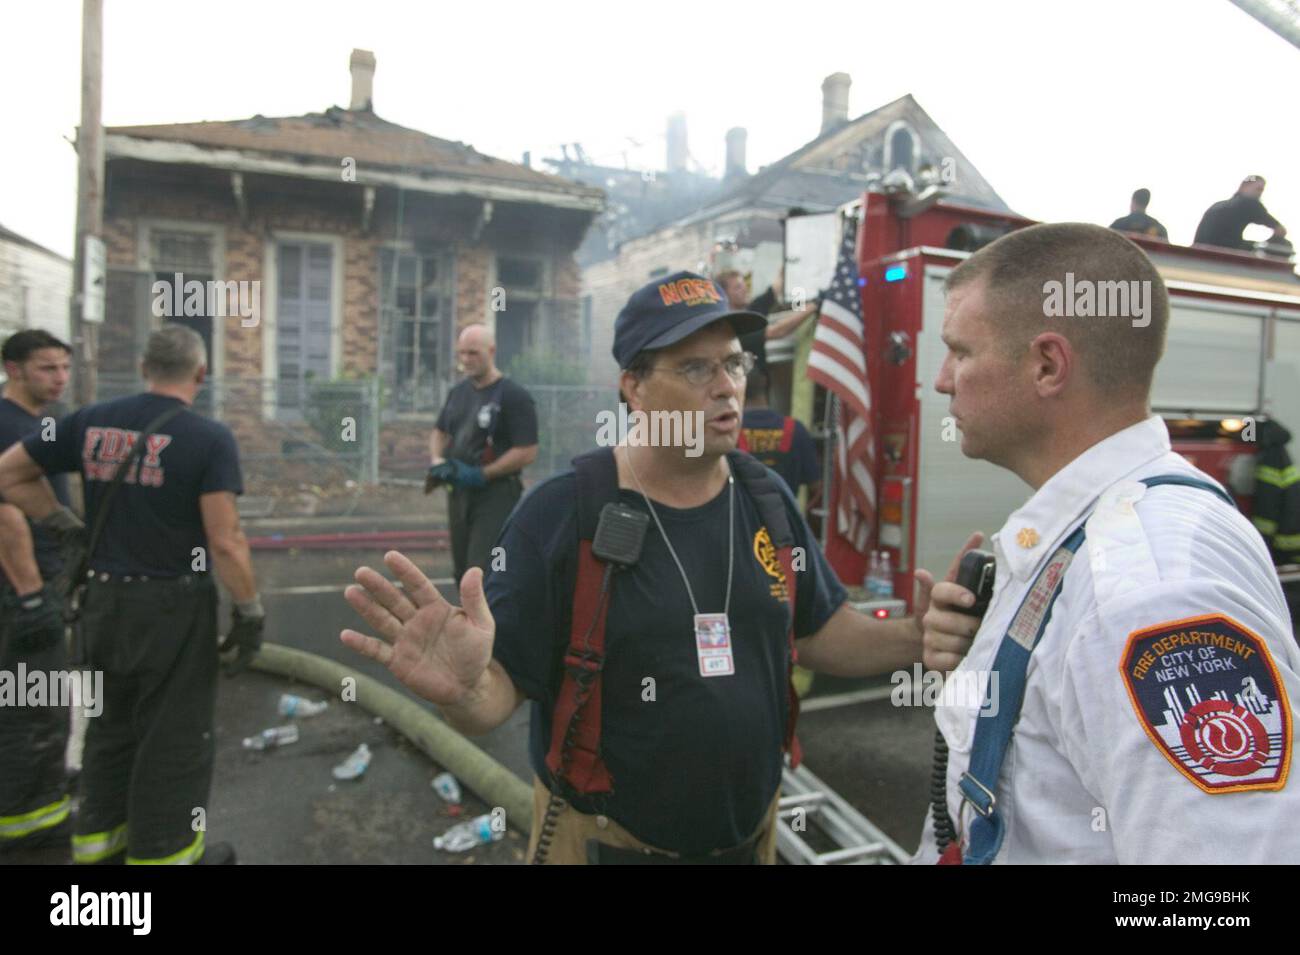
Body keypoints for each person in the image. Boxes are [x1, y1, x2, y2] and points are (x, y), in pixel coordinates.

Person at [342, 270, 980, 864]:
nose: (727, 385)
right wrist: (464, 692)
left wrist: (914, 638)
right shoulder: (562, 514)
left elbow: (816, 630)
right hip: (604, 842)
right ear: (635, 386)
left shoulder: (766, 500)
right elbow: (495, 695)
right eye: (695, 367)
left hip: (752, 833)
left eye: (733, 362)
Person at [914, 223, 1300, 864]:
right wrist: (983, 661)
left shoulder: (1151, 587)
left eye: (960, 351)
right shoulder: (1096, 533)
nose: (942, 381)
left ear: (1046, 365)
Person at [0, 324, 263, 865]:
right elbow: (226, 541)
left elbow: (8, 475)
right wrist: (249, 612)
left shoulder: (88, 421)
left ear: (144, 368)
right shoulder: (208, 439)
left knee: (110, 731)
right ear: (201, 374)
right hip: (171, 609)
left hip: (101, 606)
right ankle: (164, 858)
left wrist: (63, 523)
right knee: (173, 739)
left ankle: (99, 858)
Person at [0, 330, 77, 853]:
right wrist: (30, 595)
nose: (59, 378)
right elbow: (5, 514)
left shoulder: (40, 423)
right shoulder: (7, 425)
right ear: (13, 368)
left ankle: (38, 797)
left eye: (64, 368)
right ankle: (32, 824)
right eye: (47, 368)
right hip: (21, 590)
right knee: (35, 702)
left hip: (39, 580)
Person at [428, 324, 538, 582]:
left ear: (492, 351)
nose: (466, 360)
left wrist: (482, 474)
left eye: (473, 353)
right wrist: (438, 461)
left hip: (495, 495)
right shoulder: (458, 393)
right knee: (461, 569)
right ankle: (469, 620)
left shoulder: (514, 396)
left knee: (481, 572)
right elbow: (439, 431)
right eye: (462, 353)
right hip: (459, 493)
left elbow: (527, 451)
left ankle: (492, 622)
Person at [739, 363, 821, 504]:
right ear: (766, 383)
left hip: (742, 521)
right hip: (784, 520)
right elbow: (816, 486)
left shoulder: (728, 432)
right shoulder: (796, 429)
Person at [1193, 175, 1288, 252]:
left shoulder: (1218, 205)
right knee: (1284, 244)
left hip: (1197, 252)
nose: (1260, 193)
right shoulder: (1250, 203)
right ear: (1244, 186)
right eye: (1258, 189)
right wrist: (1266, 245)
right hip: (1225, 251)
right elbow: (1280, 230)